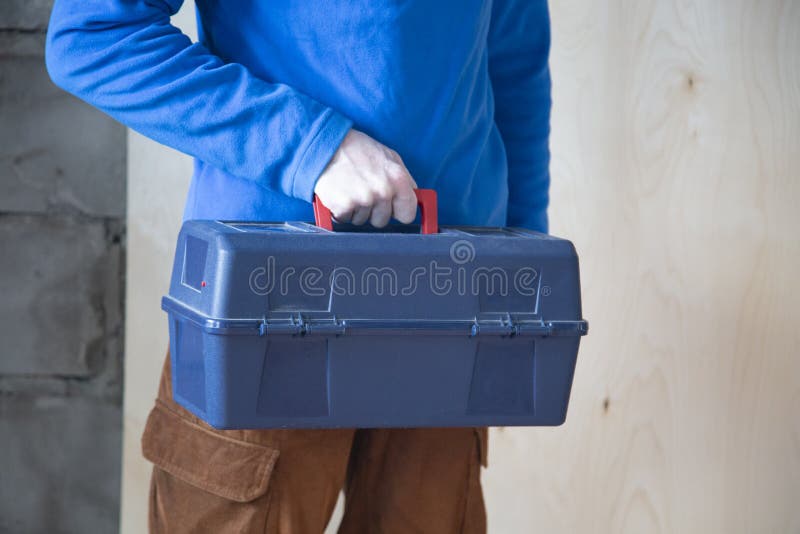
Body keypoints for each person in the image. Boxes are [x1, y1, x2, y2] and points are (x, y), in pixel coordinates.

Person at [46, 1, 552, 532]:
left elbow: (513, 65)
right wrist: (314, 147)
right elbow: (91, 37)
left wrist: (523, 265)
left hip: (454, 301)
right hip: (264, 308)